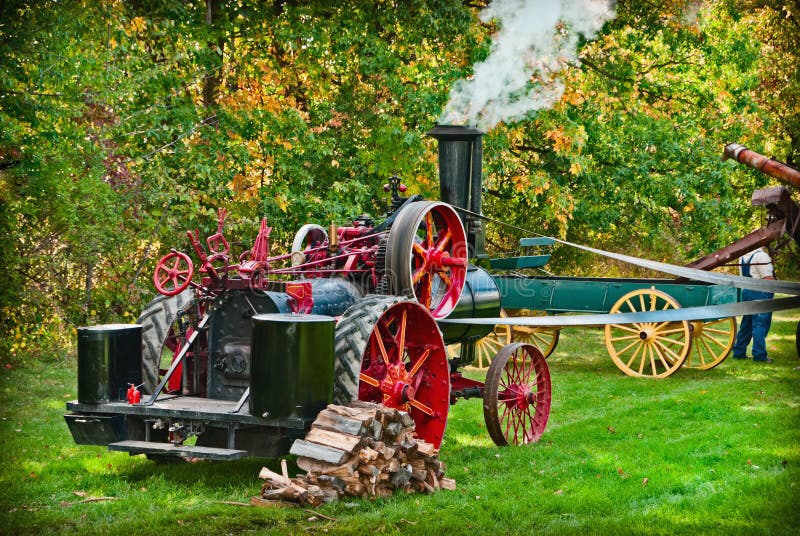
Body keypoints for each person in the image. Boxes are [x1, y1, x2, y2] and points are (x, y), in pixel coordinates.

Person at [732, 247, 775, 363]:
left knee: (746, 324)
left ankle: (738, 352)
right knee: (760, 324)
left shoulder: (743, 256)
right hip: (760, 291)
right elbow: (768, 278)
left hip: (747, 291)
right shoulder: (761, 255)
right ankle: (760, 355)